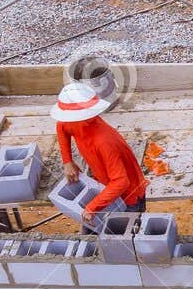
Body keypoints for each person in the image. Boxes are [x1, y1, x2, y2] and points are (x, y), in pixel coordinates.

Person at [51, 82, 148, 229]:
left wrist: (92, 207)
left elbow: (121, 182)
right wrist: (67, 161)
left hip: (129, 198)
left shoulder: (104, 142)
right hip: (105, 186)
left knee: (126, 239)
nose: (65, 120)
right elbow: (61, 127)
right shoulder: (73, 122)